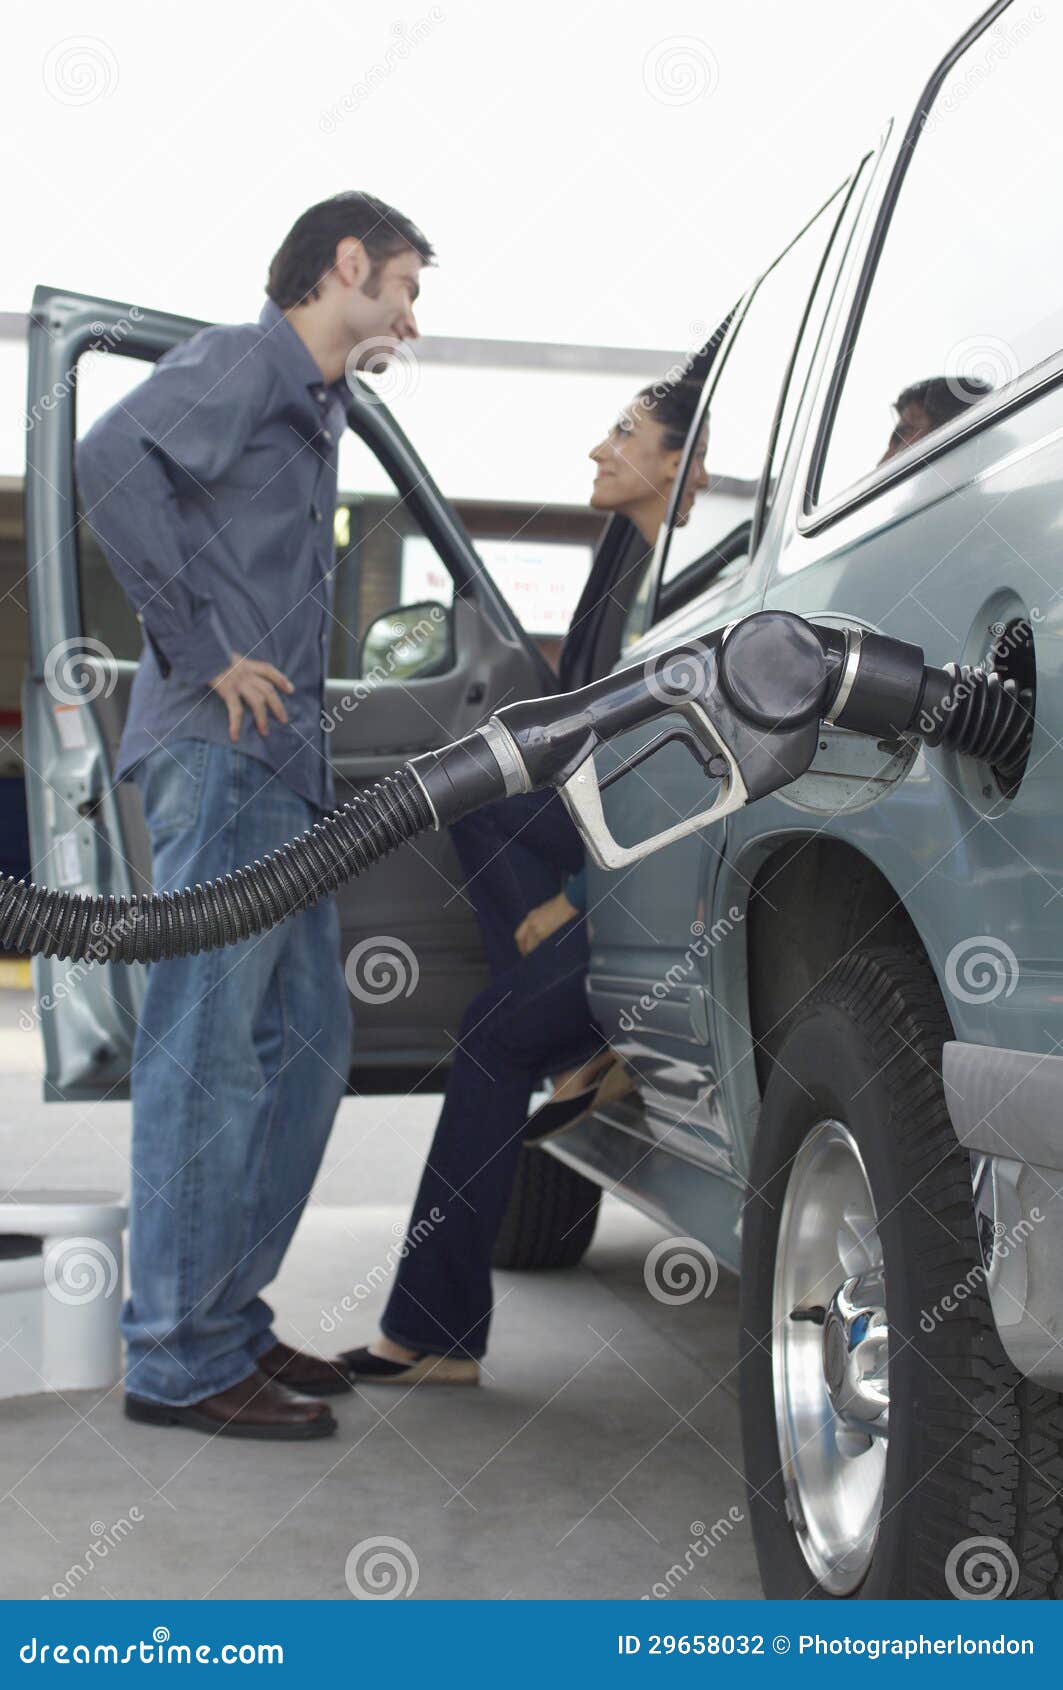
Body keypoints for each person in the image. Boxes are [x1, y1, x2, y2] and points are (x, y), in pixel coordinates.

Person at [76, 192, 434, 1440]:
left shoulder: (318, 404)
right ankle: (176, 1357)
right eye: (403, 288)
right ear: (346, 265)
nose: (411, 315)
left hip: (282, 769)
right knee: (206, 1049)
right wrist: (204, 648)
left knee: (311, 1041)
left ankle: (223, 1314)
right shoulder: (244, 360)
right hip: (221, 755)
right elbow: (108, 459)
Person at [339, 375, 709, 1385]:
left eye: (623, 434)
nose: (599, 449)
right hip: (615, 860)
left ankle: (434, 1335)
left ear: (680, 462)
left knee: (490, 1039)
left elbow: (672, 783)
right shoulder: (627, 568)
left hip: (664, 894)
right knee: (466, 793)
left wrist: (575, 901)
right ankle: (581, 1041)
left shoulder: (693, 595)